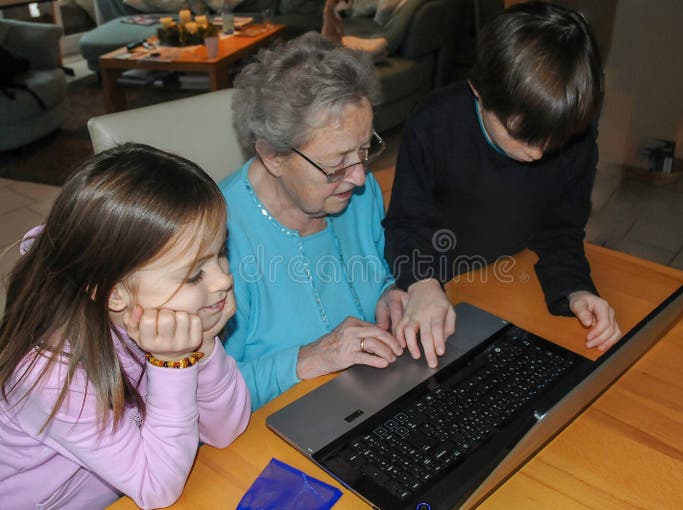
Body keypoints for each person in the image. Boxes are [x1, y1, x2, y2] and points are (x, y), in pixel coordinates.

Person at [0, 144, 251, 509]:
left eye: (221, 255)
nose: (223, 281)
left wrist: (205, 346)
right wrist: (172, 364)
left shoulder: (161, 320)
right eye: (196, 273)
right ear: (114, 294)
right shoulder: (52, 372)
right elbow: (156, 488)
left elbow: (226, 431)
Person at [222, 32, 454, 411]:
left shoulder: (357, 194)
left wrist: (391, 293)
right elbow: (199, 402)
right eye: (335, 165)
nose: (360, 178)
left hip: (368, 402)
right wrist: (308, 358)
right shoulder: (218, 240)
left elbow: (378, 268)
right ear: (272, 156)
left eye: (365, 150)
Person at [383, 2, 622, 351]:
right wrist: (422, 282)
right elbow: (407, 222)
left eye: (555, 140)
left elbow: (561, 231)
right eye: (523, 135)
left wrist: (576, 289)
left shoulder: (575, 137)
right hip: (440, 279)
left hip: (511, 278)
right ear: (479, 91)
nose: (538, 153)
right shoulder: (434, 124)